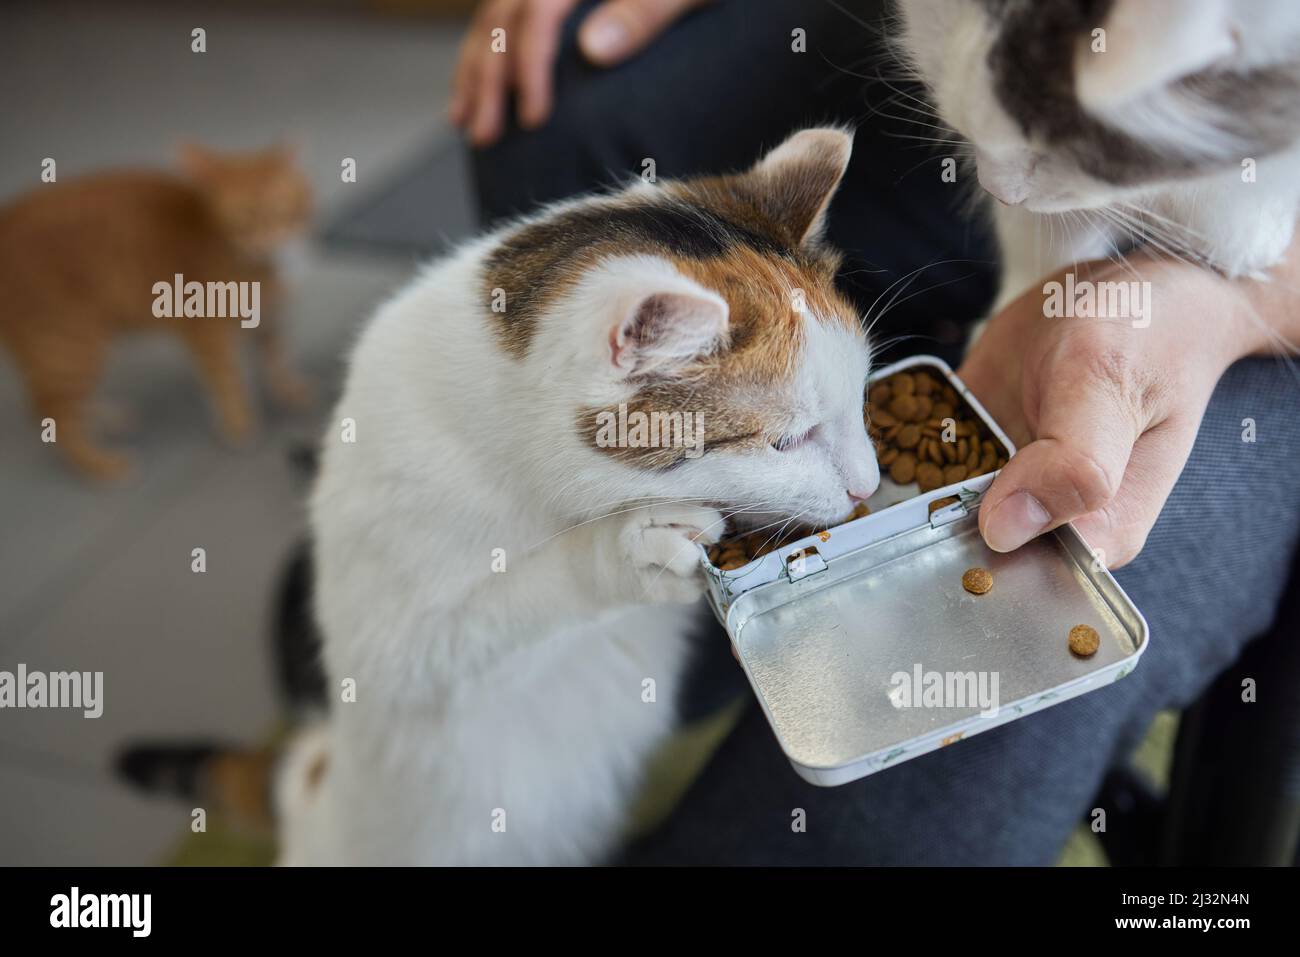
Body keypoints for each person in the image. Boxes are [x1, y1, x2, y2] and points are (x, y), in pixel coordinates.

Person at [449, 0, 1300, 864]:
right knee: (558, 113)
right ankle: (644, 654)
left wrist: (1247, 298)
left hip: (1262, 238)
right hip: (1037, 62)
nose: (1002, 183)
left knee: (985, 667)